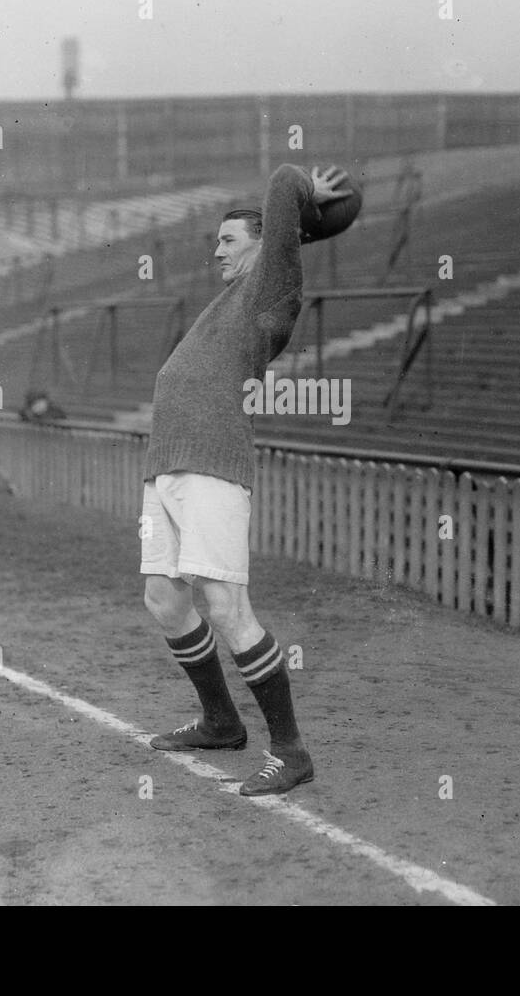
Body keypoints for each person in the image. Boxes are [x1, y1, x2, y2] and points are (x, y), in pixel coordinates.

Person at [139, 164, 351, 796]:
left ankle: (290, 751)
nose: (217, 250)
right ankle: (221, 720)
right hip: (167, 466)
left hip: (214, 462)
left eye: (229, 240)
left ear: (267, 243)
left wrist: (306, 200)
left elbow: (285, 180)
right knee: (163, 598)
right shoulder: (229, 299)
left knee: (227, 607)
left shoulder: (271, 287)